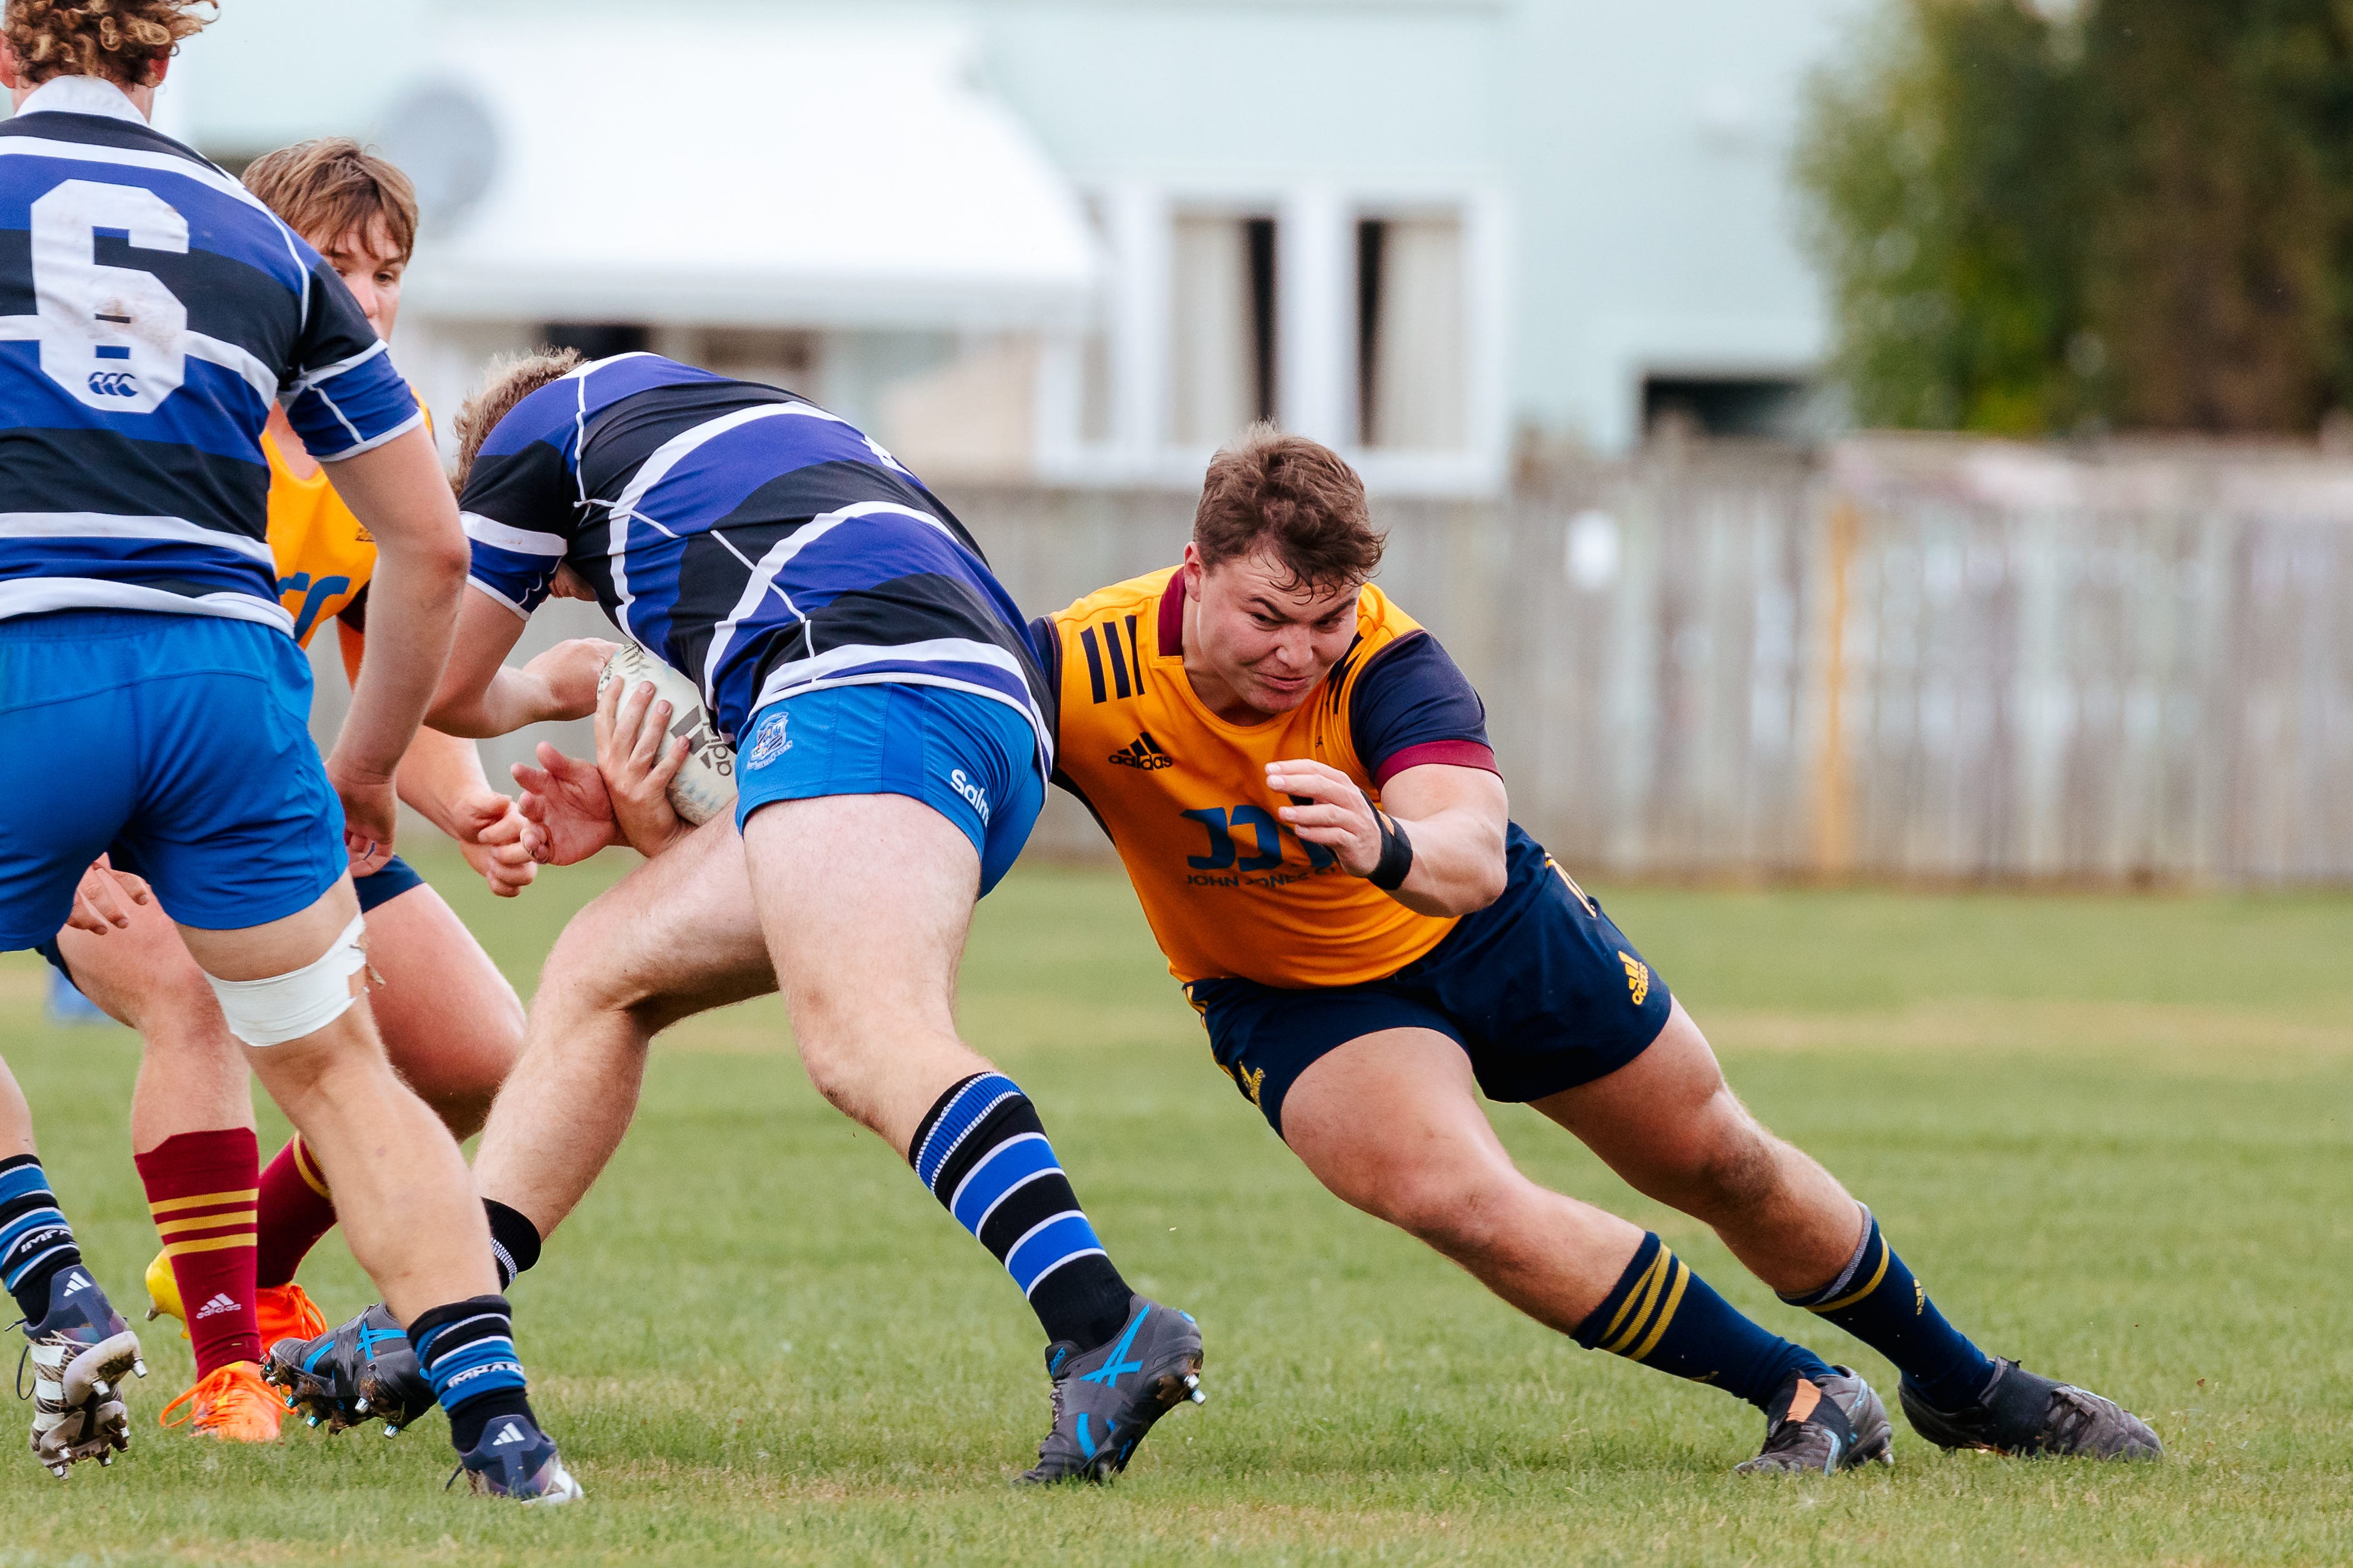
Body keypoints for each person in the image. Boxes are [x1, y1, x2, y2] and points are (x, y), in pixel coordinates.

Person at [1026, 427, 2159, 1469]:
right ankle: (1804, 1391)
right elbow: (951, 727)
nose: (1300, 652)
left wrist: (1379, 842)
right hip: (1294, 994)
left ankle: (1968, 1387)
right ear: (1194, 567)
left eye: (1328, 619)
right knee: (1455, 1195)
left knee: (1721, 1160)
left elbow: (1467, 855)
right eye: (1269, 617)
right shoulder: (1080, 668)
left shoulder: (1387, 662)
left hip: (1485, 928)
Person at [273, 347, 1205, 1483]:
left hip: (864, 684)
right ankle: (441, 1311)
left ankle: (1102, 1320)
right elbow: (759, 829)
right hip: (987, 719)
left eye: (559, 579)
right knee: (605, 967)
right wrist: (633, 823)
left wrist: (546, 684)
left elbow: (441, 675)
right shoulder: (759, 429)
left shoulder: (537, 437)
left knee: (868, 1035)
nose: (569, 590)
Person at [0, 2, 579, 1498]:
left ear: (8, 52)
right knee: (306, 1047)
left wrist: (427, 779)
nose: (370, 292)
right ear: (166, 61)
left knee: (456, 1048)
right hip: (225, 698)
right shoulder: (250, 253)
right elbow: (434, 551)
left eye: (394, 272)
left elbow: (400, 600)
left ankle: (69, 1291)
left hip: (35, 666)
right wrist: (378, 767)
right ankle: (478, 1428)